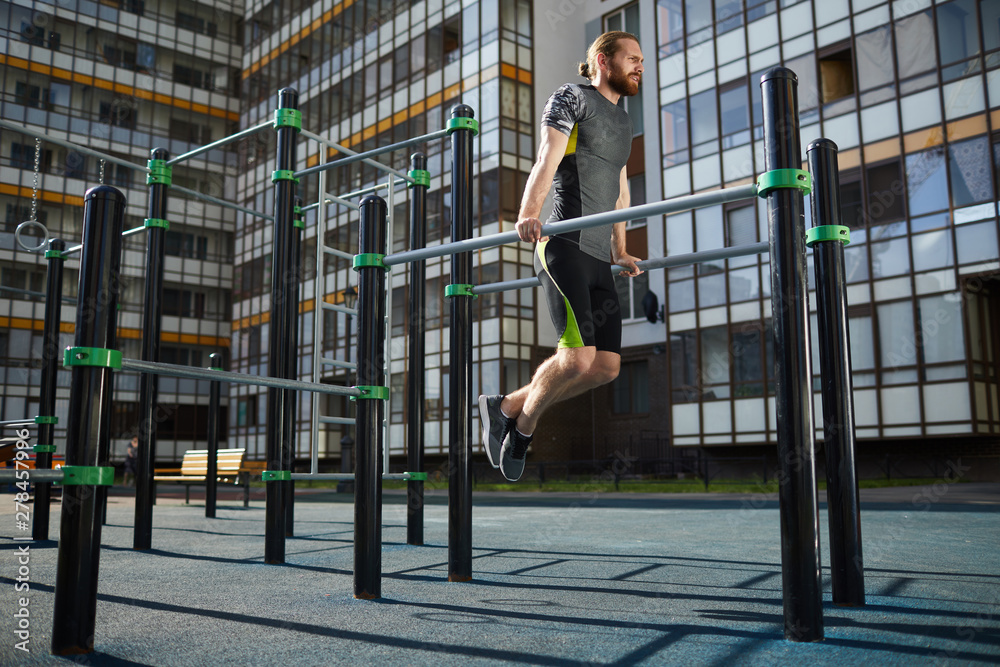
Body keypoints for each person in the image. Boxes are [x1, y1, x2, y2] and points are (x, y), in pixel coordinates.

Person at [479, 31, 645, 482]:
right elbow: (547, 158)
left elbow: (621, 193)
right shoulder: (572, 97)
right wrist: (529, 214)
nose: (639, 66)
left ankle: (507, 406)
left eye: (641, 60)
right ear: (602, 60)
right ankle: (523, 431)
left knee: (605, 367)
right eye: (632, 58)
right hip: (564, 244)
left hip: (597, 255)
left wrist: (620, 249)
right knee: (574, 359)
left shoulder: (625, 123)